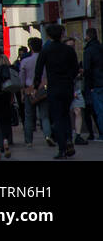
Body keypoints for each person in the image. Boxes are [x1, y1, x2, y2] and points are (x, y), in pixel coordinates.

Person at [34, 22, 79, 159]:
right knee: (66, 114)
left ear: (49, 35)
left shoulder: (46, 51)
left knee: (57, 118)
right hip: (67, 87)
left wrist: (36, 86)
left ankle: (62, 148)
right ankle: (69, 140)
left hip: (54, 87)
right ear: (62, 34)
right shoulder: (69, 50)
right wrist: (69, 78)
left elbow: (38, 70)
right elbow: (75, 69)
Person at [19, 37, 49, 145]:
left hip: (29, 90)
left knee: (28, 116)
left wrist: (22, 91)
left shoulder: (25, 61)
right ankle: (47, 135)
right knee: (44, 115)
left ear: (30, 47)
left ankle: (28, 141)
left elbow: (21, 78)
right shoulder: (46, 60)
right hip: (43, 89)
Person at [84, 28, 103, 140]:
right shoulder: (100, 47)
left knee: (99, 110)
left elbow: (87, 69)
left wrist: (90, 85)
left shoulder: (89, 50)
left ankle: (101, 134)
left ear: (88, 36)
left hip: (96, 83)